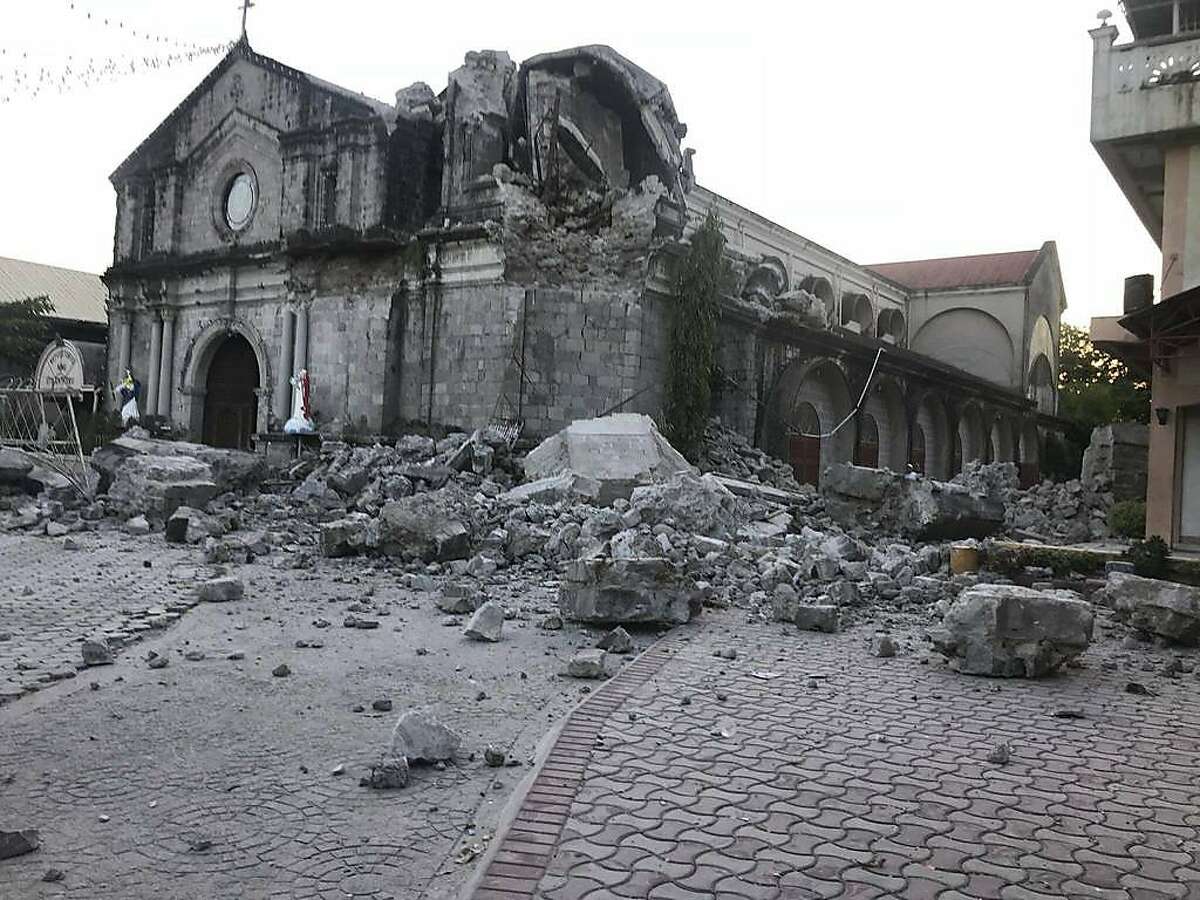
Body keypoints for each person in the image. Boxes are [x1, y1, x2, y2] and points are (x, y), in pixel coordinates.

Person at [284, 368, 314, 434]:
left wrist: (295, 383)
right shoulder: (301, 381)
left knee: (301, 408)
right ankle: (298, 417)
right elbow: (298, 387)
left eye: (302, 374)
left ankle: (302, 418)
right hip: (299, 397)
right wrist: (294, 382)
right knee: (298, 407)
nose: (300, 375)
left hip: (302, 399)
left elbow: (303, 390)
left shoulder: (304, 382)